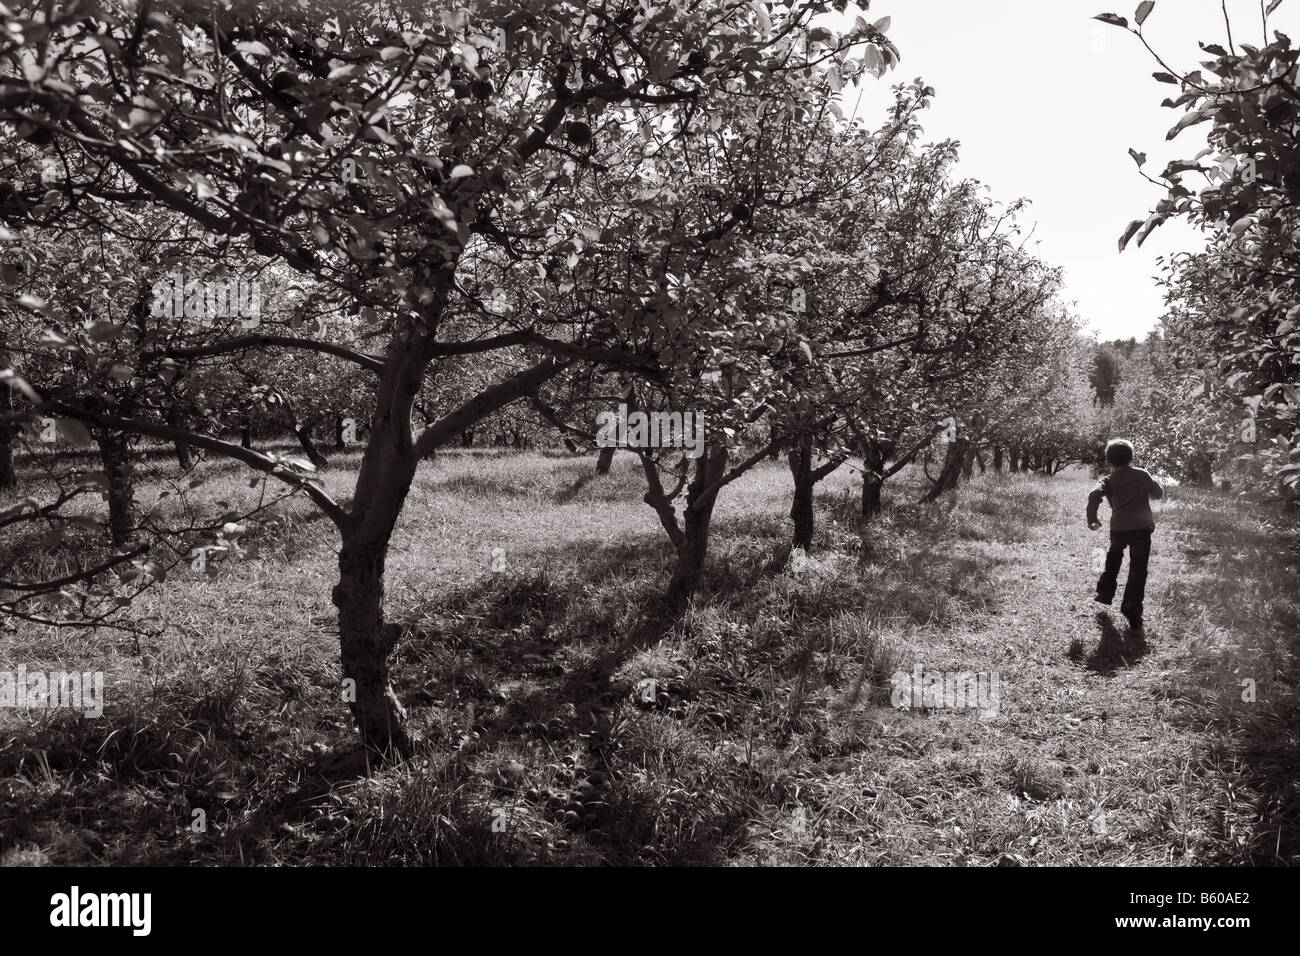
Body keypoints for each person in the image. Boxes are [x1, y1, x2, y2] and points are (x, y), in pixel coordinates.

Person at [1087, 439, 1163, 631]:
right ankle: (1132, 607)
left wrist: (1092, 518)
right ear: (1131, 458)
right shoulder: (1142, 474)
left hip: (1119, 527)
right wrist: (1153, 484)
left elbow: (1094, 495)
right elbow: (1158, 493)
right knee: (1138, 568)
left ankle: (1105, 592)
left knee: (1114, 556)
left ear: (1108, 460)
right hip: (1142, 528)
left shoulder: (1107, 479)